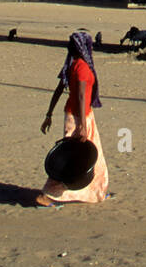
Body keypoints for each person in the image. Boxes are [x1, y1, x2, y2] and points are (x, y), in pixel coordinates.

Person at [36, 30, 108, 206]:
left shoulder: (72, 65)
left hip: (80, 115)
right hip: (79, 118)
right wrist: (83, 126)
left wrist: (49, 114)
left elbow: (59, 90)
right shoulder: (82, 67)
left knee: (93, 158)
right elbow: (82, 97)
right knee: (70, 160)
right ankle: (47, 195)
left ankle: (97, 191)